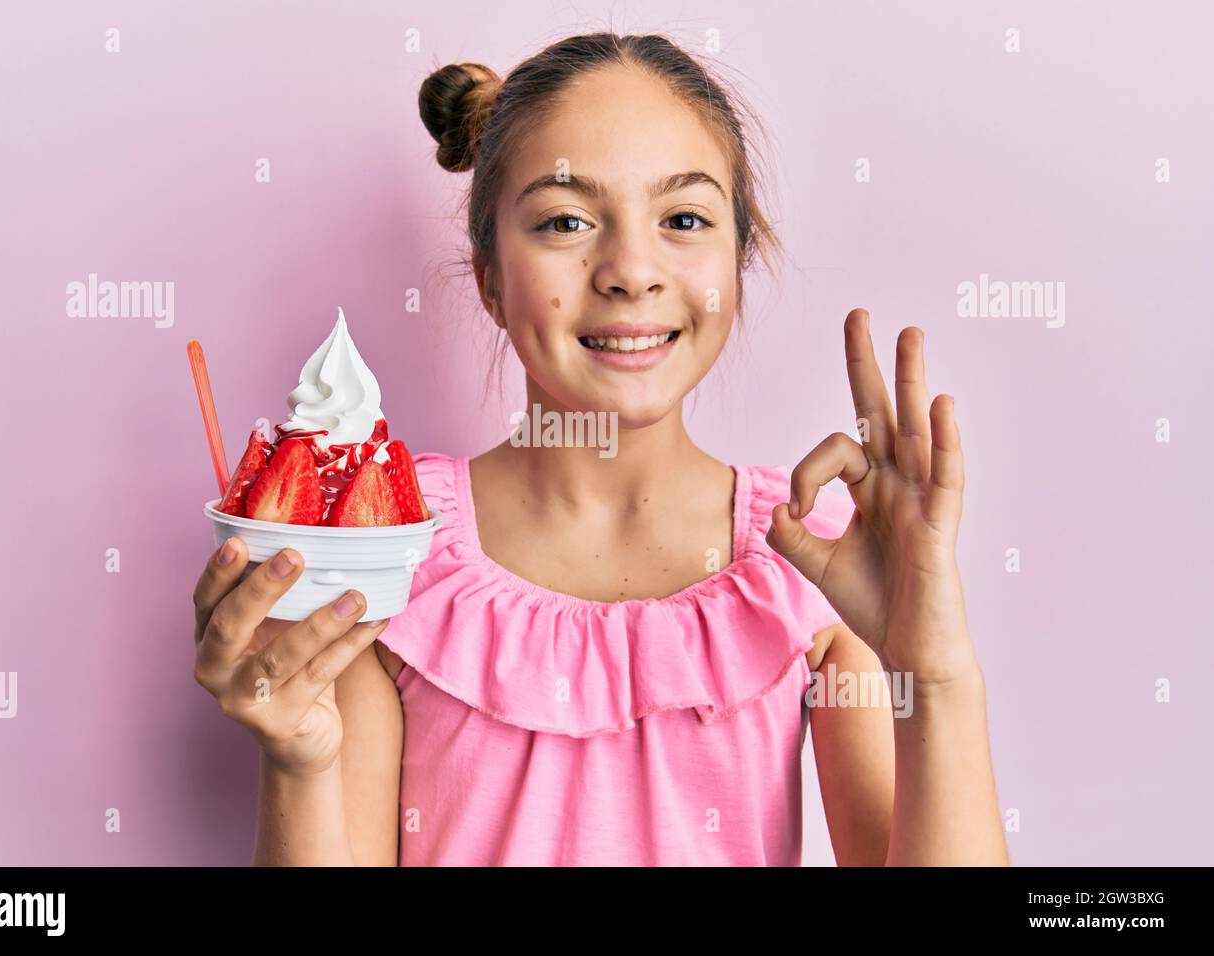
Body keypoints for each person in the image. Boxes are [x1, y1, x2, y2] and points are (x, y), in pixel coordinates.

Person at [192, 31, 1007, 866]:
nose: (629, 270)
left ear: (738, 259)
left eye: (683, 218)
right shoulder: (392, 548)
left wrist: (936, 675)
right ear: (490, 278)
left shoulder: (819, 558)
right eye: (566, 221)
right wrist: (299, 760)